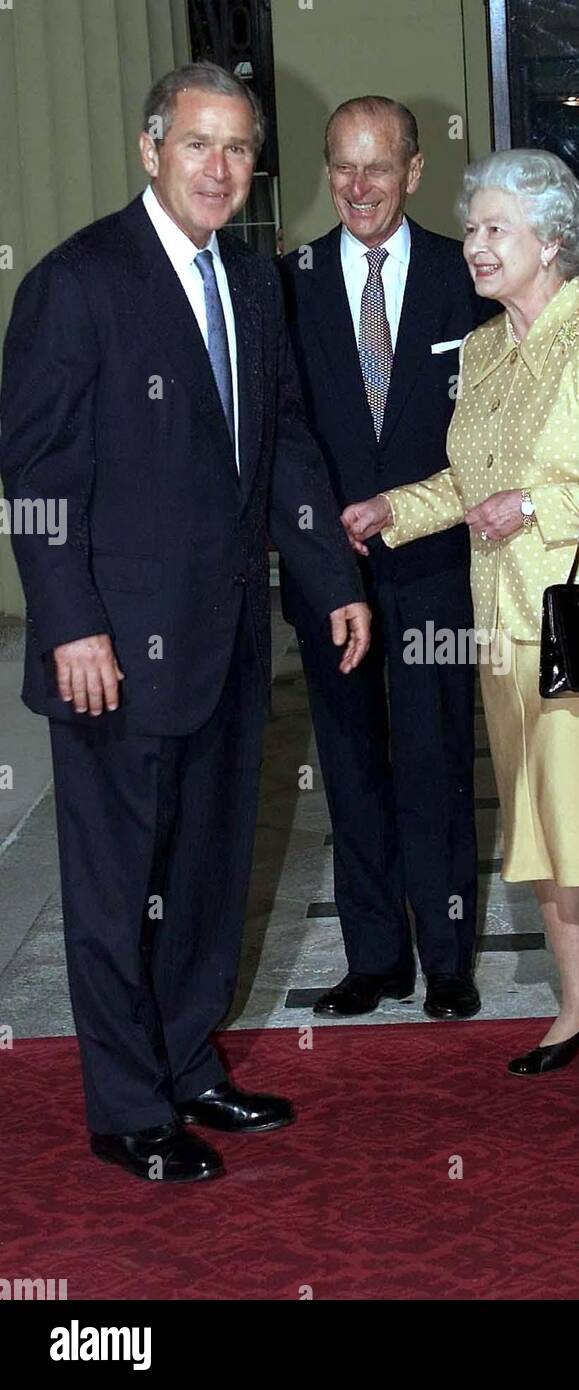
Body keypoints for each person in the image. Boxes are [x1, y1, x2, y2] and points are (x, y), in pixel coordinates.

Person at [0, 63, 370, 1183]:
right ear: (151, 149)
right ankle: (125, 1105)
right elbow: (36, 471)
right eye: (198, 144)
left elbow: (282, 450)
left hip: (226, 642)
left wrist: (333, 578)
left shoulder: (255, 286)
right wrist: (69, 624)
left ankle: (188, 1061)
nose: (218, 168)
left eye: (238, 149)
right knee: (118, 888)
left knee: (211, 872)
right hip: (111, 647)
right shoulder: (78, 283)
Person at [342, 149, 579, 1080]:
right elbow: (471, 483)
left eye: (492, 229)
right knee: (544, 832)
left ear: (551, 240)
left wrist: (537, 507)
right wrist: (402, 508)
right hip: (501, 627)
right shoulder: (479, 348)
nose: (473, 245)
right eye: (471, 228)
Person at [281, 98, 497, 1022]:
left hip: (436, 560)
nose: (357, 187)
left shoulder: (467, 277)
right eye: (340, 166)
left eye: (377, 167)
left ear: (414, 172)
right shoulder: (283, 284)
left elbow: (490, 430)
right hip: (330, 570)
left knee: (437, 758)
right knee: (351, 761)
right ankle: (375, 959)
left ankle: (446, 958)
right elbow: (282, 430)